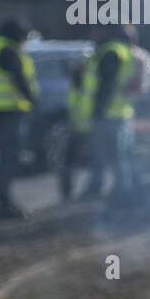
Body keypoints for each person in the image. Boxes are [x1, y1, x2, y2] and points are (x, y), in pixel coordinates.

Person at [0, 17, 38, 220]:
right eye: (23, 36)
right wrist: (32, 101)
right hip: (9, 111)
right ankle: (5, 205)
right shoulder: (9, 51)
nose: (25, 41)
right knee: (8, 160)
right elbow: (19, 79)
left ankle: (5, 203)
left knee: (6, 158)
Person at [81, 23, 140, 204]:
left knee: (115, 160)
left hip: (108, 116)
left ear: (106, 32)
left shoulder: (110, 53)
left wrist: (98, 112)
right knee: (121, 159)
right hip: (120, 114)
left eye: (96, 30)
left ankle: (123, 199)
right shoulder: (123, 51)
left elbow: (106, 86)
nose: (93, 34)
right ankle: (123, 195)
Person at [59, 58, 92, 202]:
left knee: (94, 163)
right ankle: (67, 194)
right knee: (69, 164)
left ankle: (89, 194)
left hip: (89, 130)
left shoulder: (89, 85)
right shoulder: (76, 87)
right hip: (78, 130)